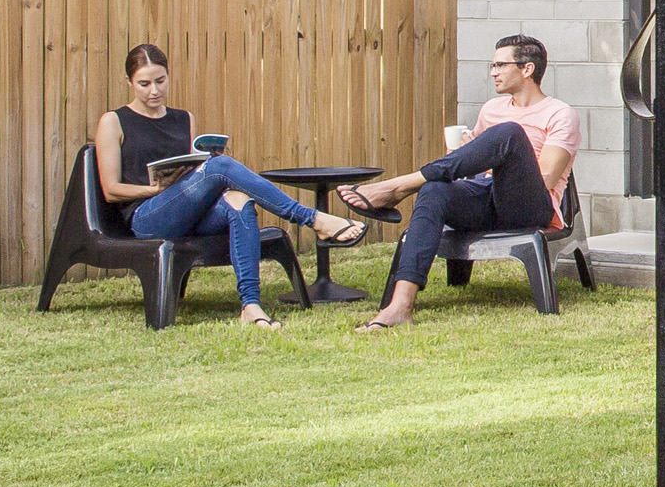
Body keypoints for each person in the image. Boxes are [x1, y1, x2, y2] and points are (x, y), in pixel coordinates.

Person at [93, 42, 365, 328]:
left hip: (188, 211)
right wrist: (155, 190)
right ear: (129, 82)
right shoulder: (114, 121)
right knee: (221, 167)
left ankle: (251, 305)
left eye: (160, 81)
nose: (154, 91)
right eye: (144, 84)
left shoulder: (183, 119)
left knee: (238, 199)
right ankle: (313, 219)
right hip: (147, 217)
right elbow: (111, 190)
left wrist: (201, 169)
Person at [341, 34, 584, 330]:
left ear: (527, 69)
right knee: (434, 189)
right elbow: (470, 165)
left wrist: (494, 157)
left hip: (529, 206)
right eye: (492, 65)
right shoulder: (491, 109)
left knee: (509, 133)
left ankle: (402, 185)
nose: (493, 72)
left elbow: (545, 178)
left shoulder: (560, 114)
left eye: (500, 65)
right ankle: (400, 305)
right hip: (486, 197)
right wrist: (467, 153)